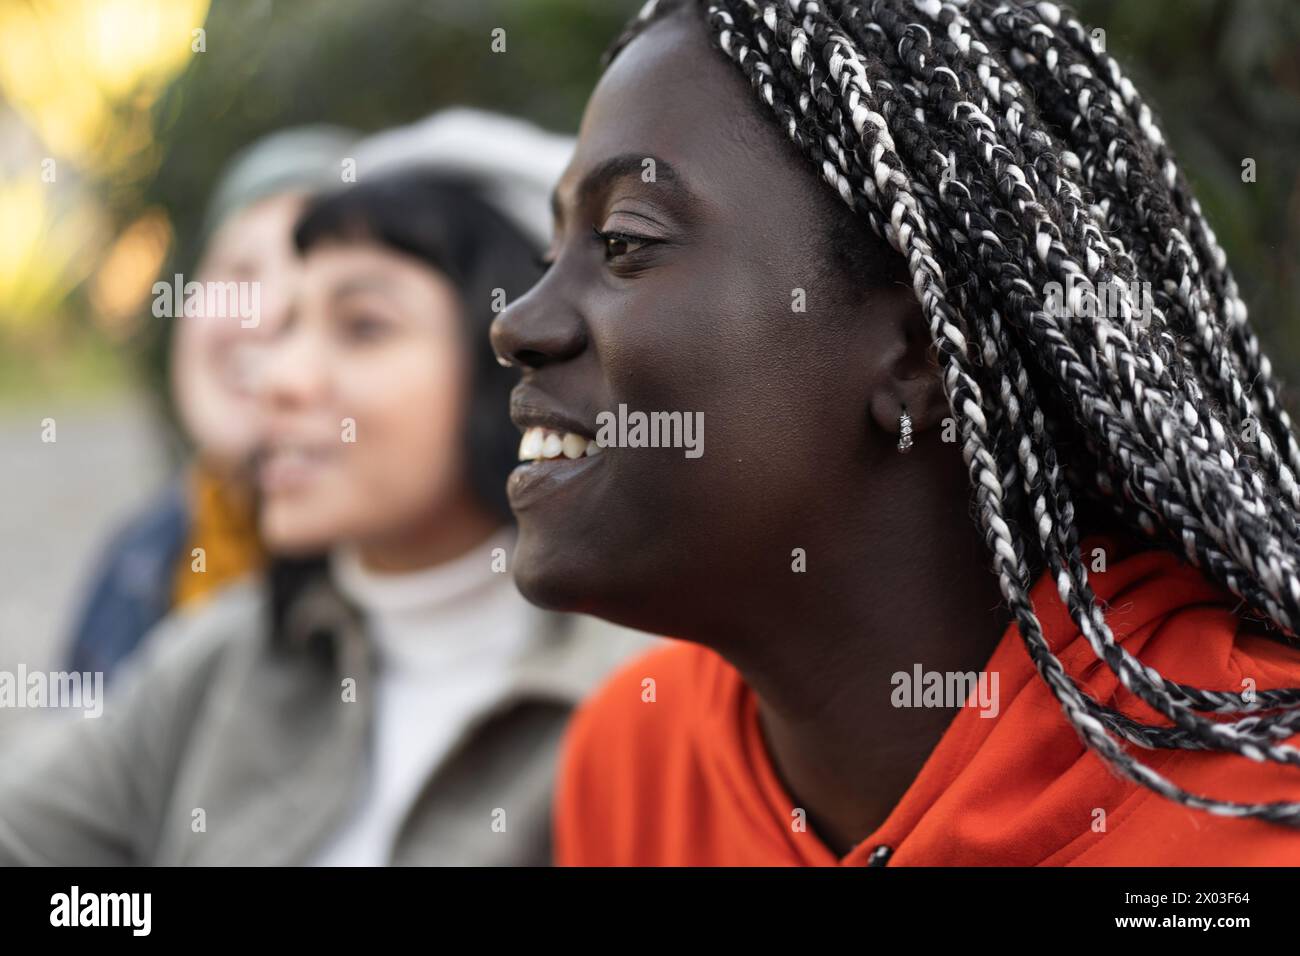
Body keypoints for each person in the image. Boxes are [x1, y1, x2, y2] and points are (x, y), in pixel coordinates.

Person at [489, 0, 1300, 865]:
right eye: (550, 258)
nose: (518, 325)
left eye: (624, 242)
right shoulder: (634, 763)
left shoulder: (1255, 821)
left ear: (920, 352)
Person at [0, 110, 653, 865]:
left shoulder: (651, 699)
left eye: (362, 326)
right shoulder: (221, 661)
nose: (276, 380)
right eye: (284, 328)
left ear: (516, 360)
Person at [65, 125, 356, 683]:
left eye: (314, 289)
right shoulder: (141, 553)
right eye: (240, 272)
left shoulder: (396, 588)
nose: (264, 314)